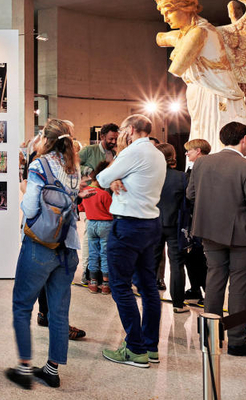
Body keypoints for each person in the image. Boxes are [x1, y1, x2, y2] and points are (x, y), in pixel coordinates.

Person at [7, 119, 87, 390]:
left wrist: (23, 193)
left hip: (40, 245)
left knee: (22, 305)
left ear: (46, 138)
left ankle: (24, 367)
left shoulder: (39, 165)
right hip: (68, 246)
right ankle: (52, 370)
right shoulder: (73, 167)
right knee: (59, 312)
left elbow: (30, 208)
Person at [187, 122, 246, 357]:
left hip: (209, 232)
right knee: (240, 288)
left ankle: (210, 335)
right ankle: (237, 340)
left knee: (214, 282)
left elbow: (191, 194)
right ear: (244, 139)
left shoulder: (201, 163)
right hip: (243, 237)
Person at [97, 114, 166, 368]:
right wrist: (117, 178)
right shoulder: (157, 153)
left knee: (120, 286)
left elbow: (102, 179)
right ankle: (150, 346)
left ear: (131, 129)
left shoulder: (132, 152)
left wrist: (113, 176)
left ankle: (135, 348)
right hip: (150, 224)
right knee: (148, 287)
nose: (121, 134)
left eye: (123, 129)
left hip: (128, 225)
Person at [155, 0, 246, 154]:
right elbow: (160, 38)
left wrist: (177, 40)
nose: (166, 19)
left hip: (217, 96)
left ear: (186, 9)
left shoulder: (200, 32)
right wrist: (178, 38)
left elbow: (177, 67)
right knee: (201, 138)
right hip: (202, 93)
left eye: (169, 12)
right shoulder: (192, 32)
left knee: (215, 141)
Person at [78, 123, 118, 285]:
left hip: (108, 199)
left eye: (115, 138)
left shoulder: (114, 154)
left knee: (102, 245)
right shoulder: (89, 151)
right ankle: (87, 273)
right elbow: (73, 164)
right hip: (92, 198)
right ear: (102, 137)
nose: (114, 142)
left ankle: (100, 276)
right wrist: (88, 170)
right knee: (90, 240)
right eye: (111, 139)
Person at [153, 143, 188, 312]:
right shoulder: (181, 177)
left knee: (151, 262)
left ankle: (149, 299)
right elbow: (188, 200)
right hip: (174, 224)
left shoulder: (149, 176)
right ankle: (178, 304)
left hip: (153, 223)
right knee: (177, 264)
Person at [182, 139, 211, 302]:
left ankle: (207, 292)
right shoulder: (199, 167)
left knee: (199, 256)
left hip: (199, 217)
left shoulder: (202, 168)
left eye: (189, 150)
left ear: (198, 150)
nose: (187, 153)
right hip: (196, 217)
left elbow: (191, 194)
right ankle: (195, 288)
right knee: (192, 255)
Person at [78, 161, 113, 295]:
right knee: (105, 254)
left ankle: (93, 282)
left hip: (91, 224)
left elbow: (80, 207)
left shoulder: (85, 191)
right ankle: (105, 284)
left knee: (93, 253)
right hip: (105, 225)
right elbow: (111, 211)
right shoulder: (104, 194)